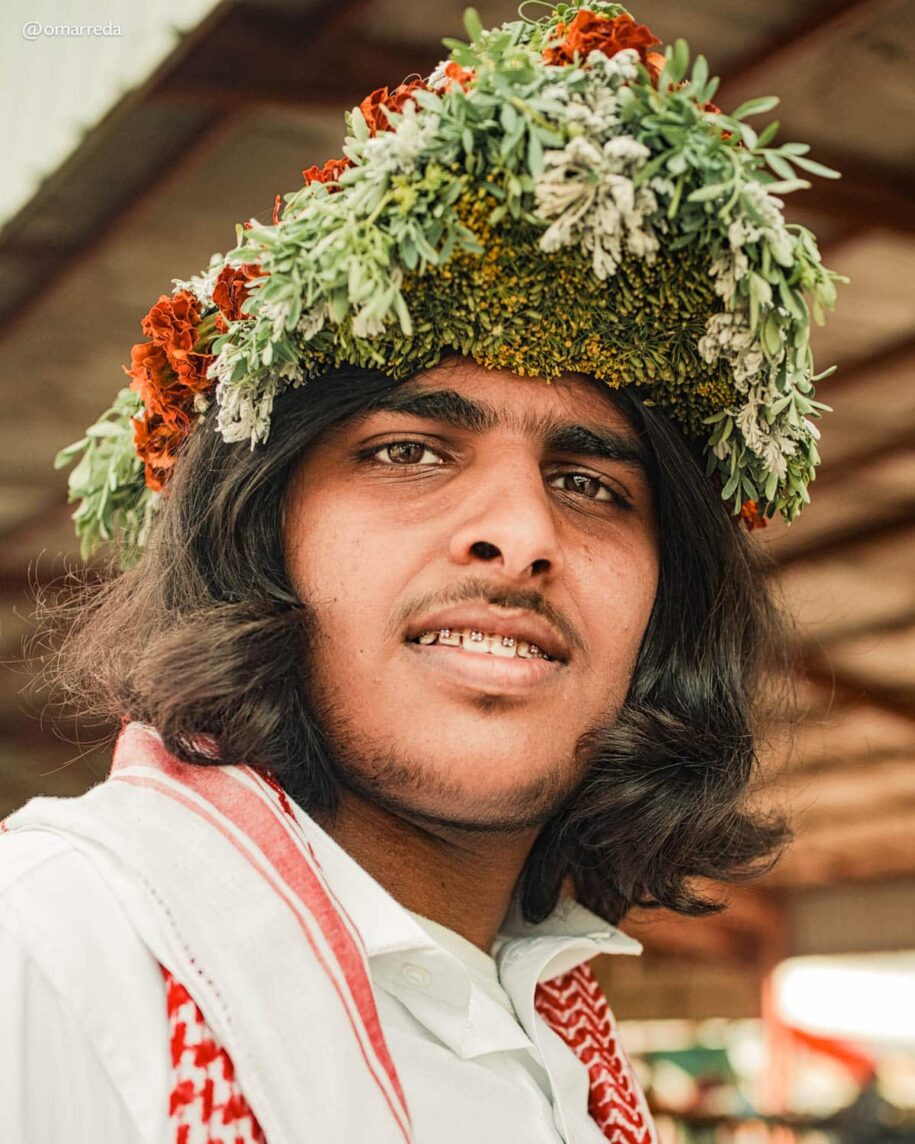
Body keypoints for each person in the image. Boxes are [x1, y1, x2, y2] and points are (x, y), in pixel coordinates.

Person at [0, 4, 841, 1141]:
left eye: (593, 483)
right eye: (409, 451)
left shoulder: (563, 1049)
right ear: (261, 538)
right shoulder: (54, 950)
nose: (520, 533)